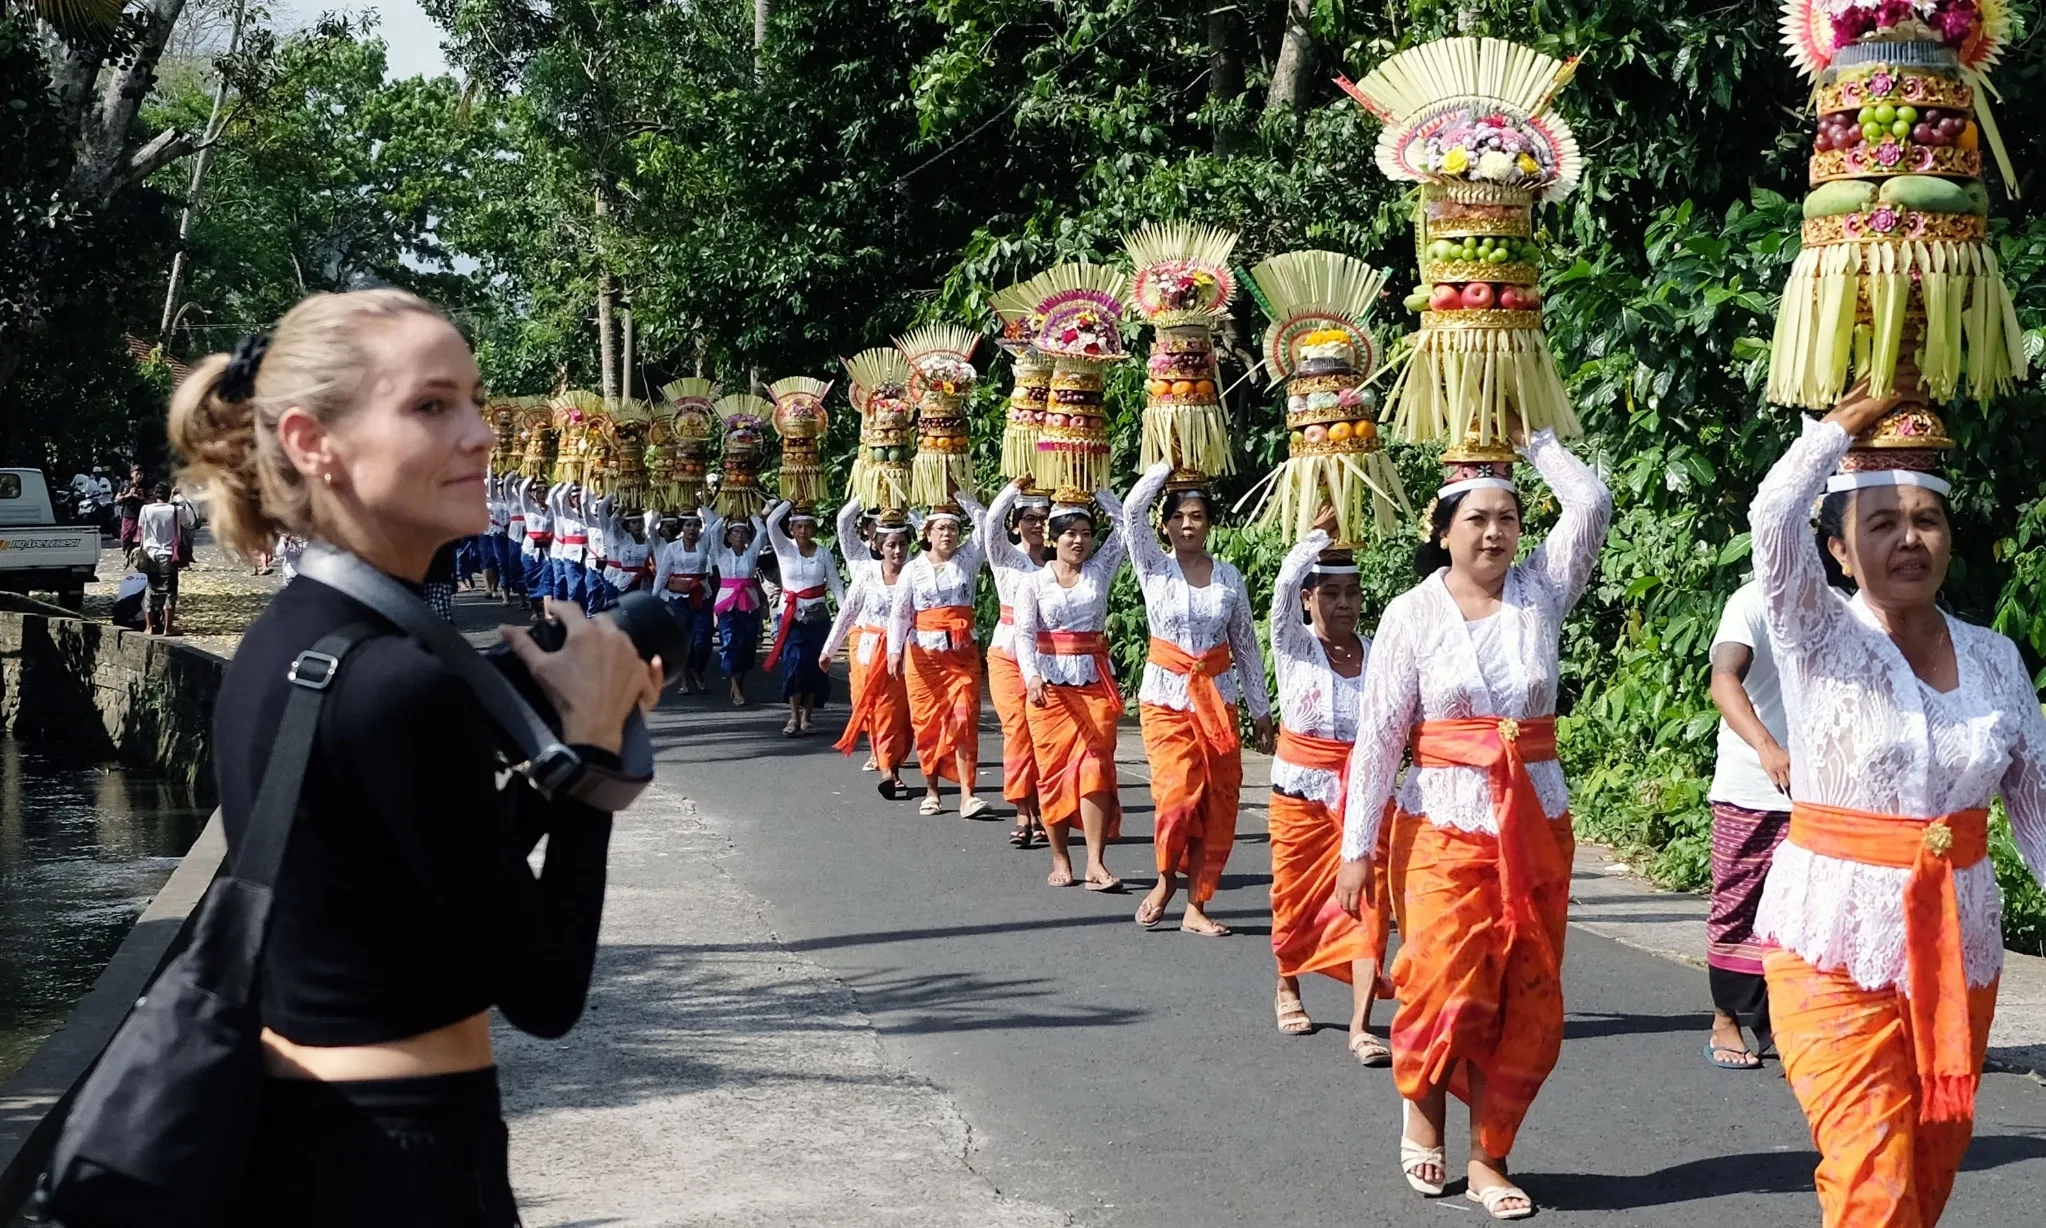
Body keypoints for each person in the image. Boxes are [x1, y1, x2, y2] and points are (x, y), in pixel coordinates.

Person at [165, 288, 658, 1225]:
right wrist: (590, 756)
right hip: (404, 1159)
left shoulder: (291, 644)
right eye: (432, 406)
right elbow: (545, 993)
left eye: (473, 400)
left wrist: (557, 740)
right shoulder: (393, 682)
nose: (479, 434)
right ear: (316, 443)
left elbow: (409, 888)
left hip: (308, 1141)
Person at [1747, 375, 2046, 1228]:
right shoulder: (1818, 636)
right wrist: (1849, 418)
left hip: (1959, 949)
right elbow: (1772, 517)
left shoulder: (1996, 661)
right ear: (1839, 551)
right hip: (1829, 944)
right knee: (1871, 1170)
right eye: (1881, 523)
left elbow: (2039, 811)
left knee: (1930, 1164)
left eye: (1927, 519)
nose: (1909, 539)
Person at [1334, 426, 1611, 1219]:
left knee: (1523, 993)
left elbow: (1590, 504)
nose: (1495, 533)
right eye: (1478, 519)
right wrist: (1357, 849)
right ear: (1443, 529)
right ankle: (1422, 1108)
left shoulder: (1541, 592)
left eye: (1508, 518)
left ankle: (1492, 1155)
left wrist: (1537, 445)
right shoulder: (1411, 616)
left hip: (1532, 823)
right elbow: (1382, 737)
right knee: (1443, 987)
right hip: (1442, 826)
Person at [1122, 462, 1273, 936]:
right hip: (1166, 700)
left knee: (1216, 801)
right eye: (1179, 516)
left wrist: (1261, 710)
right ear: (1165, 524)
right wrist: (1165, 467)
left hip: (1217, 701)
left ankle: (1196, 905)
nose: (1188, 525)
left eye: (1198, 517)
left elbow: (1246, 644)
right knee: (1177, 797)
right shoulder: (1153, 567)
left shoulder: (1228, 577)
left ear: (1210, 524)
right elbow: (1130, 512)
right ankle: (1165, 880)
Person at [1269, 512, 1391, 1066]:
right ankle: (1288, 983)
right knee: (1292, 903)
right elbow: (1279, 589)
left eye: (1352, 593)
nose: (1343, 603)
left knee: (1370, 904)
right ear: (1309, 600)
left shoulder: (1381, 651)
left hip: (1363, 798)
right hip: (1300, 795)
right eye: (1331, 593)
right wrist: (1315, 537)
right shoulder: (1294, 645)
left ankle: (1362, 1024)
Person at [1008, 482, 1126, 891]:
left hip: (1094, 683)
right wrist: (1032, 676)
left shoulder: (1100, 570)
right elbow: (1024, 635)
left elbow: (1127, 525)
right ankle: (1061, 858)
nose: (1078, 541)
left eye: (1085, 533)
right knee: (1054, 773)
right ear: (1053, 538)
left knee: (1095, 768)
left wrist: (1098, 486)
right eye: (1070, 533)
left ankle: (1096, 861)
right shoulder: (1033, 583)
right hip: (1049, 691)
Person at [1703, 577, 1794, 1070]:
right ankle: (1725, 1020)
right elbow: (1724, 679)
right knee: (1737, 904)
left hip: (1825, 790)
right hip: (1752, 788)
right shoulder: (1753, 600)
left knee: (1807, 913)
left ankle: (1788, 1023)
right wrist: (1767, 747)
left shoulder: (1850, 603)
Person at [886, 495, 988, 818]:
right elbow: (900, 614)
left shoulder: (968, 560)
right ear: (927, 533)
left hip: (961, 656)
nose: (947, 534)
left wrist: (959, 494)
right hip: (923, 658)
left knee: (964, 719)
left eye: (953, 528)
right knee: (927, 724)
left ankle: (967, 795)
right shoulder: (912, 570)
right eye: (940, 528)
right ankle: (932, 791)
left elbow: (987, 524)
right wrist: (893, 650)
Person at [980, 482, 1052, 848]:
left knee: (1043, 735)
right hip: (1007, 654)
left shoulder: (1060, 563)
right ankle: (1023, 812)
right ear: (1017, 523)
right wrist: (1014, 487)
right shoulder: (1005, 557)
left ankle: (1044, 810)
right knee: (1018, 731)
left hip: (1048, 658)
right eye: (1029, 518)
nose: (1037, 525)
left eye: (1043, 518)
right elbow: (990, 522)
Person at [823, 507, 914, 797]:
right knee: (875, 708)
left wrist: (908, 509)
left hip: (904, 651)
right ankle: (888, 769)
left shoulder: (917, 572)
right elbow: (847, 614)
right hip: (868, 649)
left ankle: (893, 762)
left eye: (902, 544)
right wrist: (828, 650)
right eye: (891, 545)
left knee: (899, 712)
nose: (897, 551)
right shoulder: (866, 574)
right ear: (877, 546)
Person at [763, 501, 844, 736]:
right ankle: (793, 715)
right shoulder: (784, 549)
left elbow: (836, 584)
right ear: (791, 529)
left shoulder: (823, 553)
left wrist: (845, 616)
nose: (803, 532)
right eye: (798, 527)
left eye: (808, 527)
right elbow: (770, 522)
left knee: (814, 667)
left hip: (817, 618)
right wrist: (789, 501)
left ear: (814, 529)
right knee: (794, 663)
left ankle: (808, 715)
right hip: (791, 618)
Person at [704, 506, 767, 705]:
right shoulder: (721, 553)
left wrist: (751, 514)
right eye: (735, 532)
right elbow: (714, 532)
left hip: (749, 603)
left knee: (747, 646)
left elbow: (763, 532)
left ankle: (738, 681)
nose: (739, 536)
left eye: (743, 532)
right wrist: (726, 516)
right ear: (729, 537)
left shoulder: (751, 553)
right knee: (730, 643)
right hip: (727, 604)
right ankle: (736, 687)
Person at [651, 510, 716, 692]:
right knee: (684, 639)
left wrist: (699, 500)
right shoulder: (672, 548)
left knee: (703, 639)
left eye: (696, 525)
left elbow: (714, 522)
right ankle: (684, 679)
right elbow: (663, 573)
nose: (692, 529)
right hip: (679, 599)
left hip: (701, 595)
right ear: (682, 528)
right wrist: (654, 598)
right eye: (688, 525)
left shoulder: (704, 543)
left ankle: (697, 669)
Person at [136, 481, 196, 636]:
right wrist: (181, 499)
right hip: (169, 555)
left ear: (155, 495)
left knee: (150, 589)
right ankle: (167, 628)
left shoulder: (145, 509)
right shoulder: (176, 510)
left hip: (149, 555)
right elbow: (190, 523)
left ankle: (149, 627)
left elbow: (141, 530)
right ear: (169, 494)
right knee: (169, 591)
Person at [116, 464, 147, 564]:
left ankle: (140, 558)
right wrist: (129, 495)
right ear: (132, 474)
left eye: (141, 474)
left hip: (142, 515)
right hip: (128, 515)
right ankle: (126, 552)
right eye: (137, 474)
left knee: (142, 538)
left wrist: (142, 498)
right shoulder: (125, 485)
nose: (139, 476)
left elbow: (153, 500)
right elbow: (117, 499)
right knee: (125, 537)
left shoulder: (146, 485)